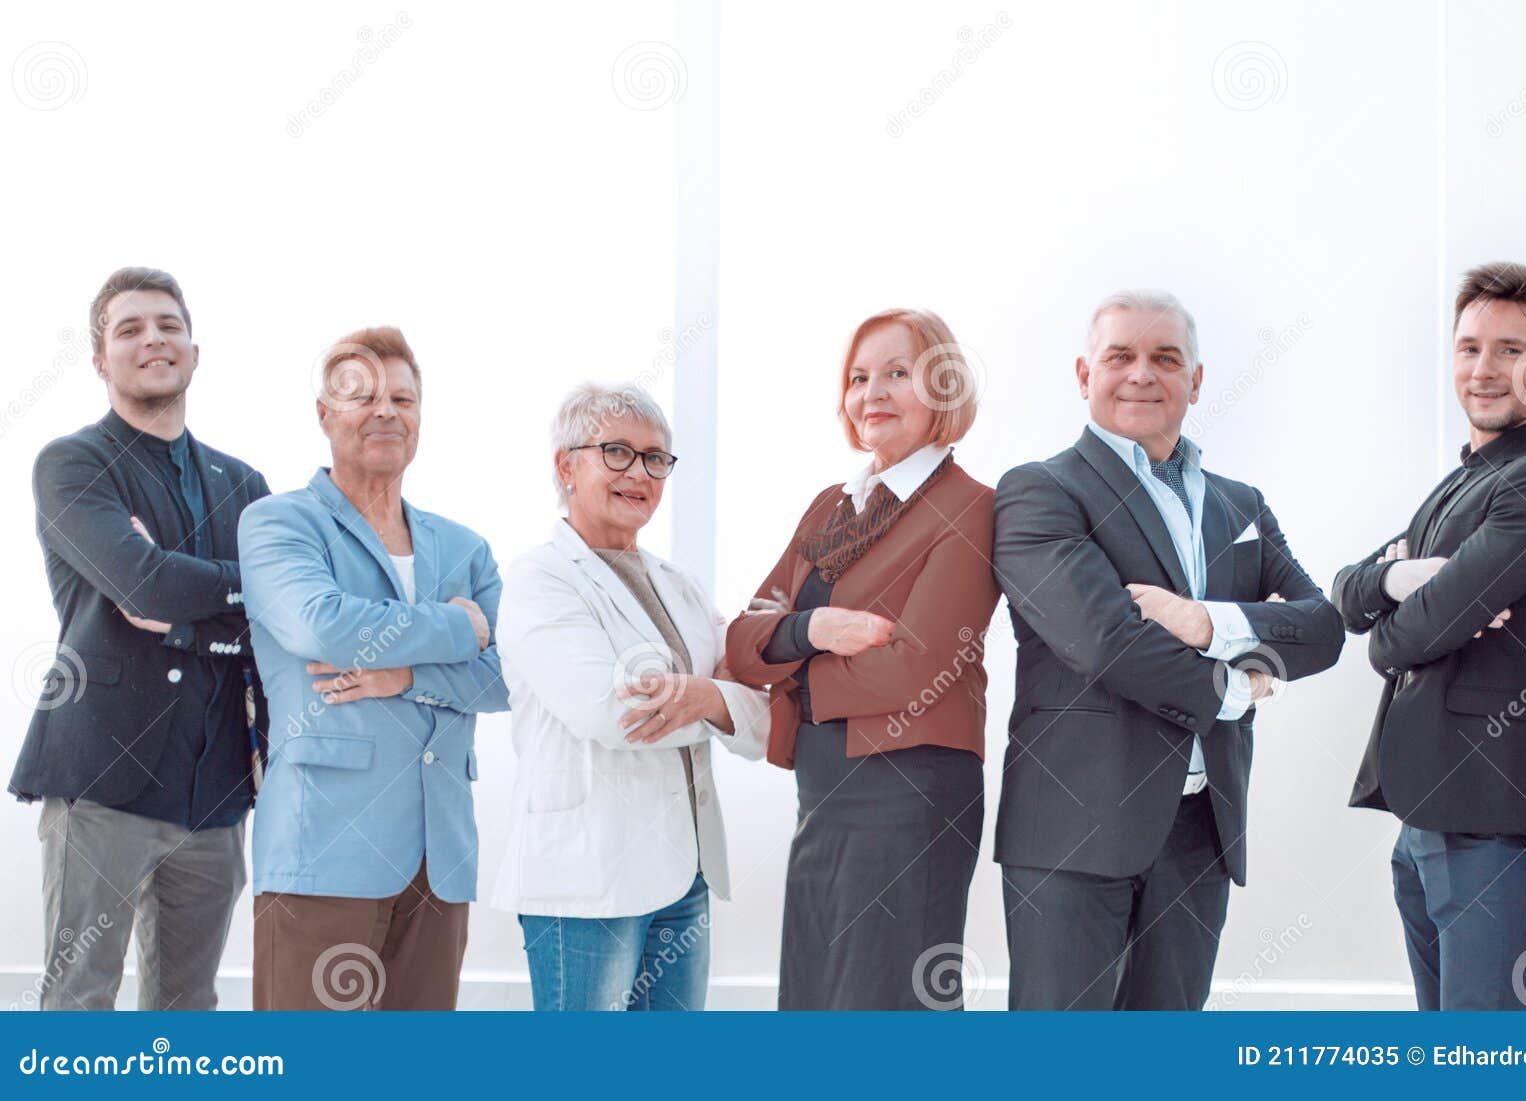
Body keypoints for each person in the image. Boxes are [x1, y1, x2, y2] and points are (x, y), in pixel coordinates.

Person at [992, 289, 1344, 1011]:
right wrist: (1237, 688)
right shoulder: (1040, 491)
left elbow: (1322, 628)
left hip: (1200, 830)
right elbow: (1106, 641)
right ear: (1084, 374)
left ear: (1197, 380)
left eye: (1166, 358)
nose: (1142, 374)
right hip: (1073, 829)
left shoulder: (1240, 504)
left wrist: (1204, 622)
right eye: (1120, 356)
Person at [1332, 262, 1526, 1011]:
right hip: (1427, 817)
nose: (1482, 369)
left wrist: (1396, 620)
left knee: (1482, 1058)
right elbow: (1346, 591)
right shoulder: (1465, 479)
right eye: (1469, 347)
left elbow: (1398, 642)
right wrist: (1398, 581)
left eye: (1510, 350)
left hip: (1489, 816)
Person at [10, 267, 269, 1011]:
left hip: (213, 791)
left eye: (167, 325)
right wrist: (229, 586)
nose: (152, 339)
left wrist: (190, 614)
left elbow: (276, 612)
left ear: (194, 350)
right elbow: (143, 584)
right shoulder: (72, 463)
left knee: (188, 1008)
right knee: (78, 1003)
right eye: (129, 329)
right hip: (102, 781)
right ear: (100, 360)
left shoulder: (244, 485)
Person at [725, 308, 998, 1010]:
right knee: (815, 999)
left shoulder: (972, 507)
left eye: (897, 373)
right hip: (824, 791)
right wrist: (815, 627)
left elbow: (915, 666)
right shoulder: (831, 507)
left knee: (885, 1006)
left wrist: (791, 667)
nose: (871, 392)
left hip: (910, 792)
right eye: (858, 377)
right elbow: (743, 640)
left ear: (943, 387)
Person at [239, 327, 508, 1010]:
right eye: (363, 396)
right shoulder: (279, 523)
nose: (387, 410)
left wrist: (408, 676)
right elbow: (325, 625)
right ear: (324, 414)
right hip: (322, 854)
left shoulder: (465, 547)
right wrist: (461, 627)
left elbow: (510, 676)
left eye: (403, 399)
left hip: (439, 860)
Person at [491, 383, 768, 1011]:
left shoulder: (681, 584)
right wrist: (719, 698)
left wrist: (705, 696)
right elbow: (611, 713)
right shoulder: (540, 578)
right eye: (617, 452)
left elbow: (765, 720)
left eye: (655, 457)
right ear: (566, 466)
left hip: (686, 875)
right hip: (589, 883)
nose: (639, 472)